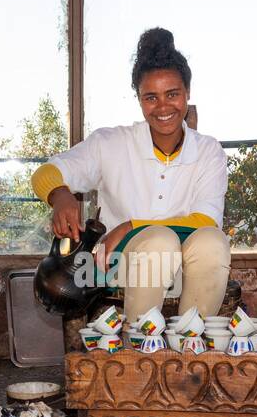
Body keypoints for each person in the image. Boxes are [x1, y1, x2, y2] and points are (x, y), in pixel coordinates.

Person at [30, 27, 230, 318]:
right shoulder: (111, 143)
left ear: (187, 93)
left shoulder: (208, 151)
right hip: (115, 264)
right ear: (139, 99)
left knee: (213, 241)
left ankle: (189, 347)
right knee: (159, 242)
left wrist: (131, 225)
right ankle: (140, 351)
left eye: (172, 94)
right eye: (151, 97)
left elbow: (206, 220)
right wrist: (59, 195)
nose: (163, 107)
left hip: (188, 265)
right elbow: (45, 173)